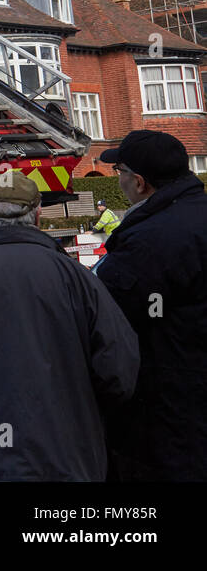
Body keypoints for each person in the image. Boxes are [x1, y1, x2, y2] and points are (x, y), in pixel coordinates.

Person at [0, 170, 138, 480]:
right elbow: (118, 365)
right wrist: (85, 416)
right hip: (71, 458)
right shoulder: (76, 276)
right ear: (38, 213)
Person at [94, 130, 207, 481]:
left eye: (120, 171)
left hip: (171, 408)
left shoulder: (150, 240)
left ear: (139, 182)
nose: (120, 180)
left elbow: (103, 318)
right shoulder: (194, 215)